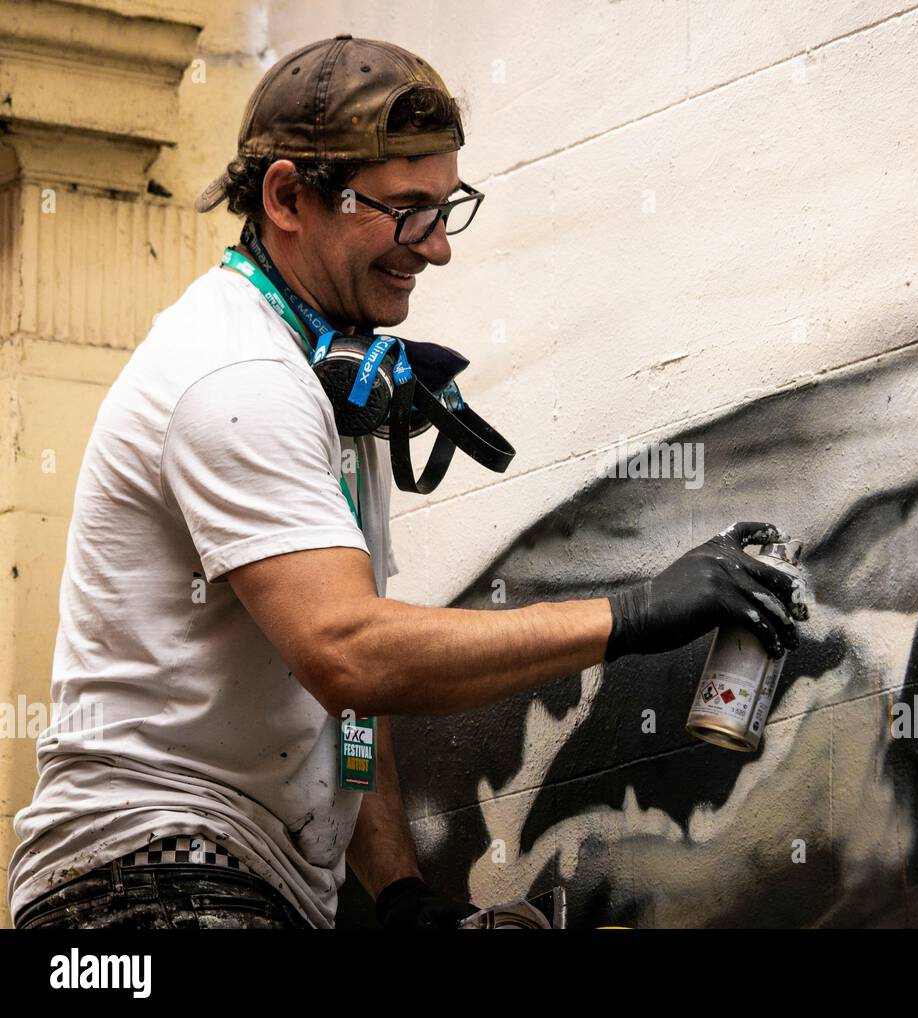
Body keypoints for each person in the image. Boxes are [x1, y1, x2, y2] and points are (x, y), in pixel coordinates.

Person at [7, 35, 806, 930]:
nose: (436, 248)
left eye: (445, 207)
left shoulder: (330, 382)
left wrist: (398, 896)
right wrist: (636, 615)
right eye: (404, 210)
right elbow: (349, 650)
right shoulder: (235, 376)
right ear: (285, 197)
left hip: (243, 882)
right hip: (149, 884)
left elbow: (349, 695)